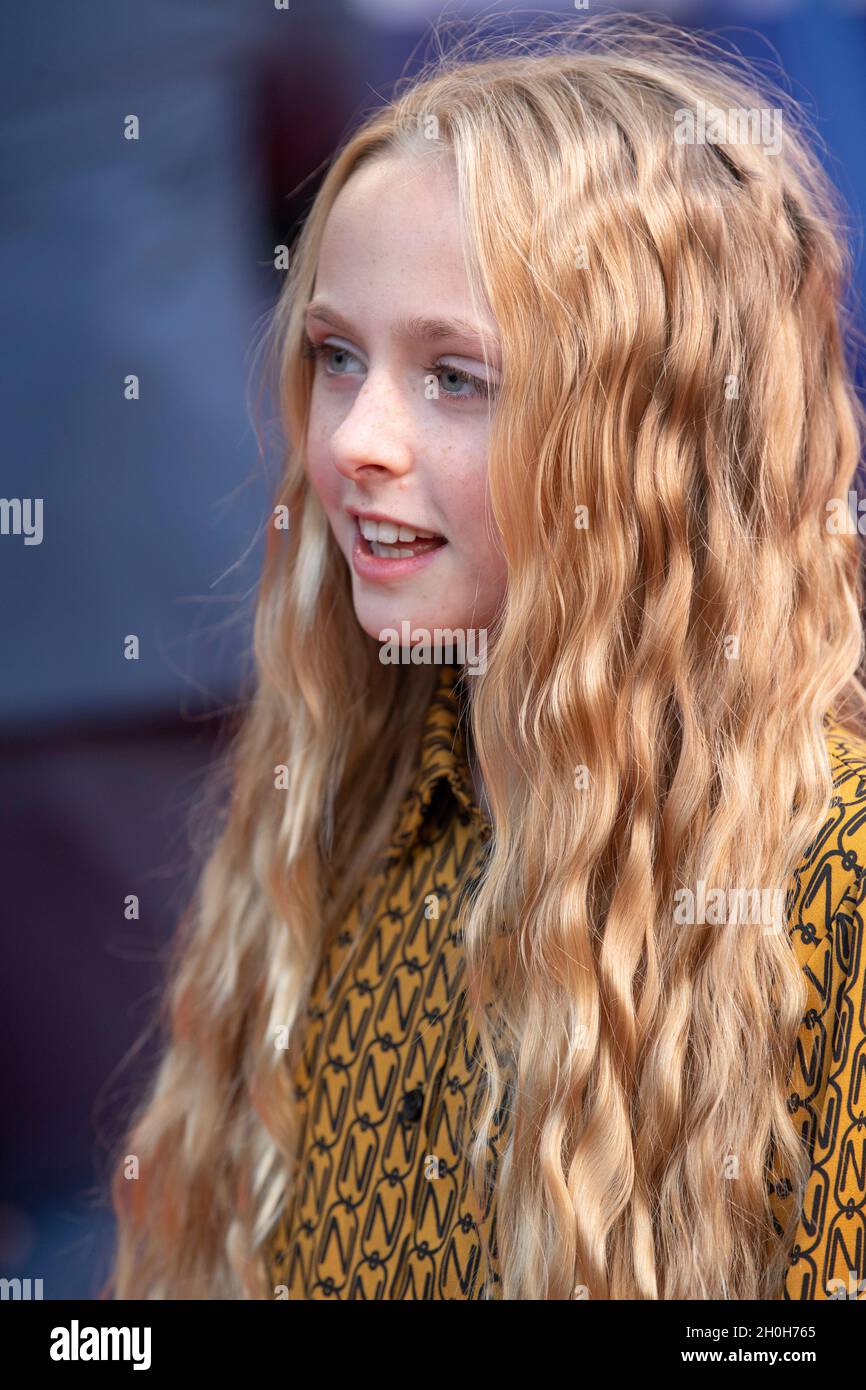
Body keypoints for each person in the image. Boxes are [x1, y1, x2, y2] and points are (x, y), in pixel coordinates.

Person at [105, 14, 866, 1300]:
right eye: (337, 356)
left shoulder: (823, 879)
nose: (351, 440)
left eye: (454, 377)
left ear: (650, 442)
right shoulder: (336, 818)